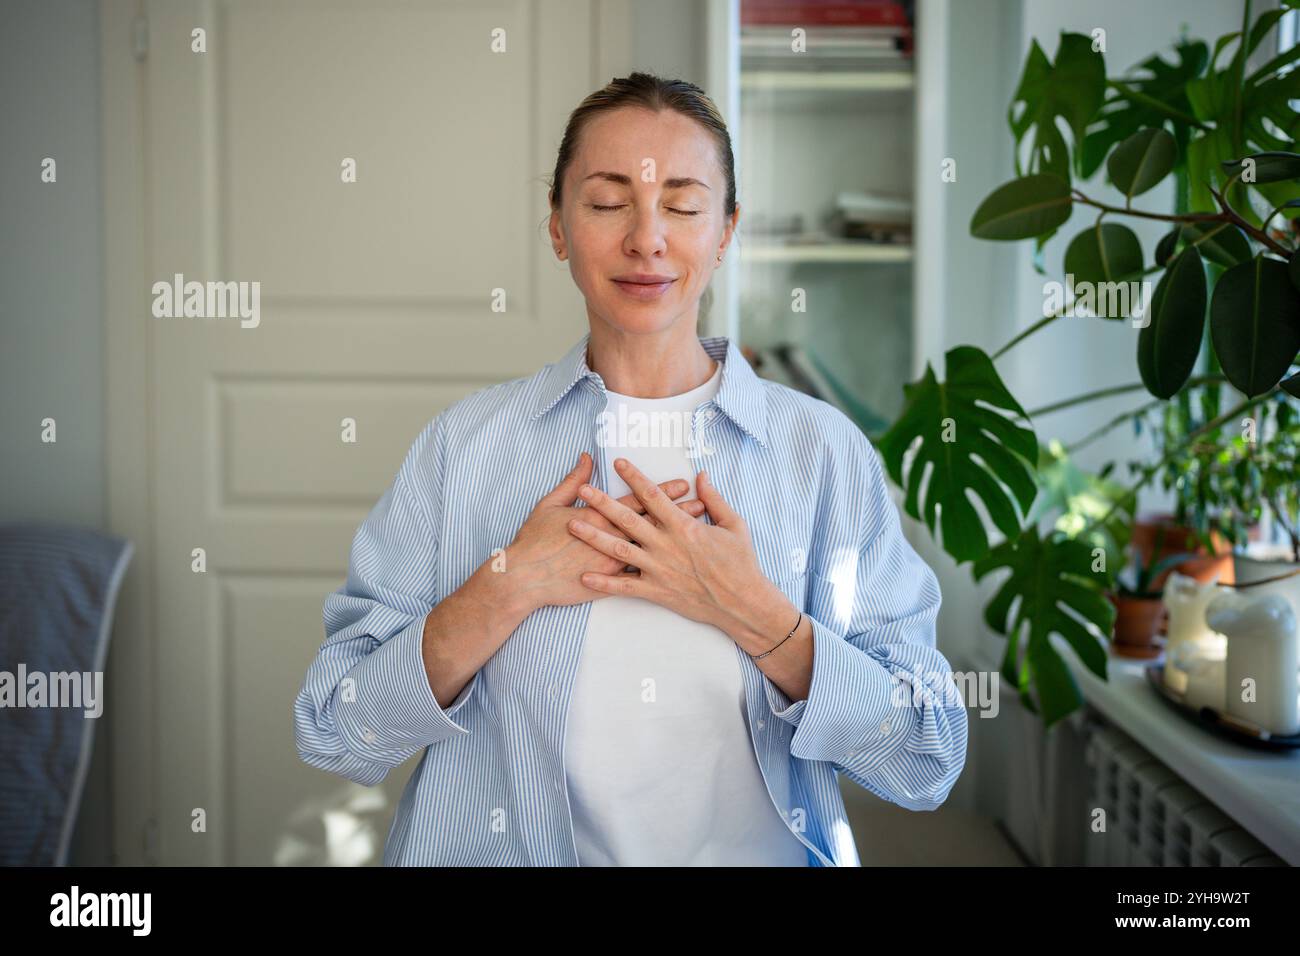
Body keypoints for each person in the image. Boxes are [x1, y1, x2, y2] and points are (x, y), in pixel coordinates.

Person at [294, 72, 967, 866]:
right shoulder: (463, 448)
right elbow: (336, 730)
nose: (647, 238)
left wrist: (754, 612)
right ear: (558, 227)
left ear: (725, 231)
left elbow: (926, 756)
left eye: (682, 205)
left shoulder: (823, 455)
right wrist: (507, 585)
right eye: (609, 202)